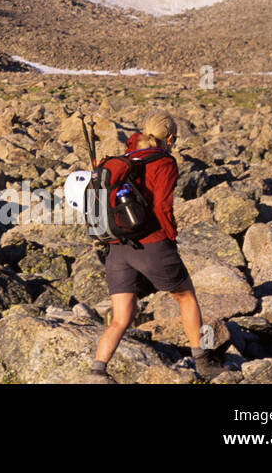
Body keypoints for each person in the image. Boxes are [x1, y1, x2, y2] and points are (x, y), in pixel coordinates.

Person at [89, 110, 222, 380]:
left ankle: (97, 371)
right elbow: (162, 205)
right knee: (185, 297)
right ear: (170, 138)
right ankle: (203, 362)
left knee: (121, 318)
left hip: (117, 247)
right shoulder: (164, 162)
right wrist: (169, 238)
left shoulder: (126, 157)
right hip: (152, 244)